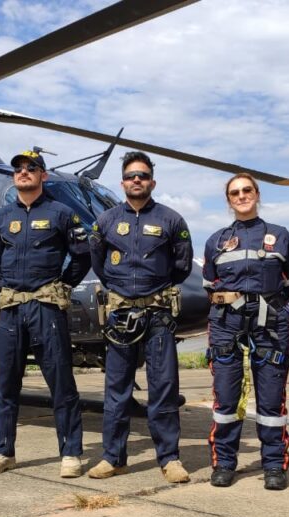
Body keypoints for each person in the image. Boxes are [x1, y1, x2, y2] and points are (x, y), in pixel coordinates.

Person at [0, 149, 91, 478]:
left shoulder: (61, 213)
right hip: (12, 307)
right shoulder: (2, 217)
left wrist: (61, 284)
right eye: (18, 169)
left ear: (43, 175)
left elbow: (82, 256)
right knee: (6, 383)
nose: (24, 172)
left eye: (32, 168)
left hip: (46, 305)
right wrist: (12, 283)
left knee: (60, 380)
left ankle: (71, 452)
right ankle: (3, 451)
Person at [88, 151, 194, 483]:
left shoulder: (171, 220)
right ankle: (113, 457)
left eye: (143, 175)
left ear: (152, 182)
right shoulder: (105, 221)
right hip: (120, 316)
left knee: (163, 387)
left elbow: (182, 266)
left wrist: (153, 291)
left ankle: (170, 458)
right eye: (132, 175)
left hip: (159, 316)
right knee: (116, 388)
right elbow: (98, 262)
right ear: (122, 182)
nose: (137, 180)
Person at [202, 173, 289, 490]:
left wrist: (265, 307)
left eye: (247, 190)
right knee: (226, 400)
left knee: (271, 402)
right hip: (226, 325)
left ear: (257, 194)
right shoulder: (216, 240)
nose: (241, 196)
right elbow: (209, 285)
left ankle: (273, 465)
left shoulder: (280, 235)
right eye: (235, 192)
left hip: (270, 326)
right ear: (229, 200)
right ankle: (224, 464)